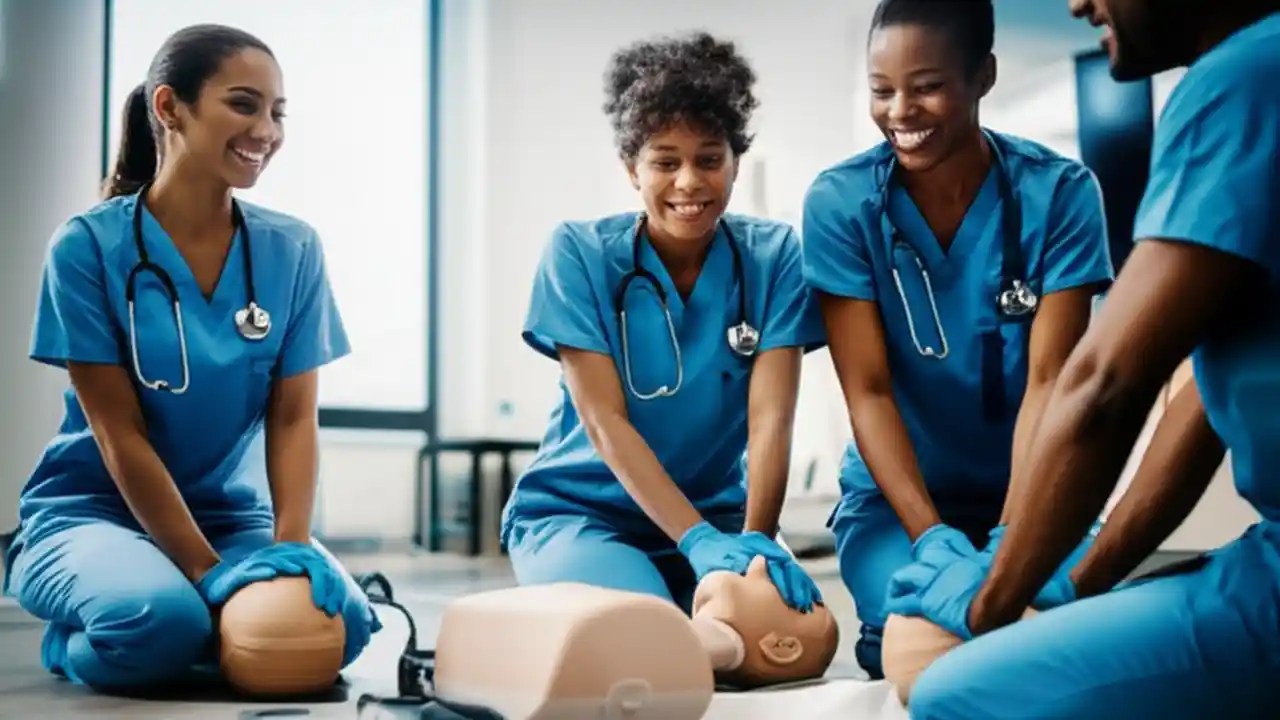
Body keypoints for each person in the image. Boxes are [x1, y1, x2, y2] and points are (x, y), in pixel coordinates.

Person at [886, 0, 1280, 717]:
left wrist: (990, 604)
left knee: (952, 695)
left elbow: (1104, 384)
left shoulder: (1242, 81)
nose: (1076, 3)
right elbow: (1198, 402)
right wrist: (1076, 584)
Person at [1, 24, 379, 691]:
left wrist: (293, 548)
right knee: (159, 623)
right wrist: (205, 571)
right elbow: (119, 433)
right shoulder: (86, 247)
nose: (266, 130)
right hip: (95, 511)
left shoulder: (292, 250)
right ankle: (83, 636)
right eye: (243, 104)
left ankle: (204, 627)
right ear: (170, 106)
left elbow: (294, 417)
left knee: (332, 629)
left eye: (277, 112)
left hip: (230, 518)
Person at [801, 0, 1115, 679]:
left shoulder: (1060, 193)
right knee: (922, 630)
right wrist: (933, 537)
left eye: (927, 86)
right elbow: (868, 392)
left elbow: (1050, 383)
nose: (900, 111)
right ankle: (890, 636)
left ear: (983, 77)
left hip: (1035, 493)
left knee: (1059, 624)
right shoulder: (842, 204)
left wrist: (1015, 536)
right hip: (898, 506)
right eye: (881, 90)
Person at [500, 31, 827, 616]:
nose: (689, 182)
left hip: (720, 517)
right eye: (665, 161)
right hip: (584, 515)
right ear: (632, 168)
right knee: (649, 633)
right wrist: (693, 540)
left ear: (735, 162)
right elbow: (604, 421)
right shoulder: (578, 254)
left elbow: (771, 419)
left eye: (709, 159)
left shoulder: (774, 256)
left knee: (794, 642)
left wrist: (756, 538)